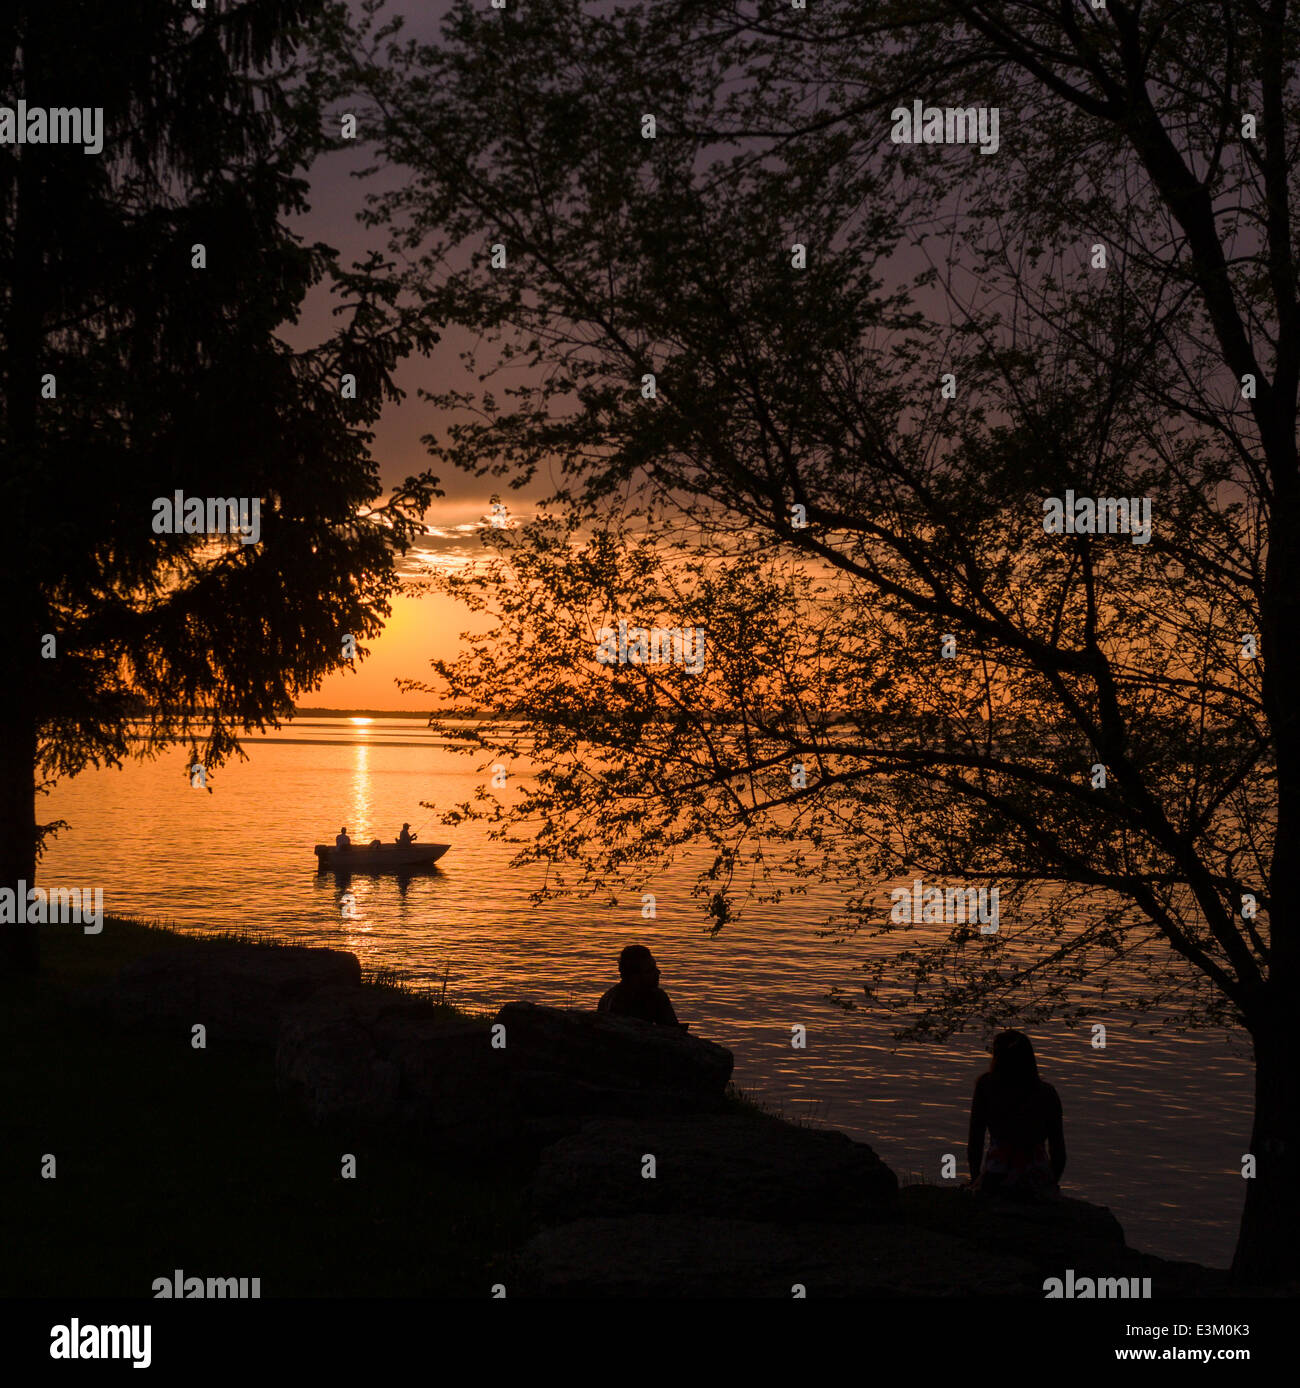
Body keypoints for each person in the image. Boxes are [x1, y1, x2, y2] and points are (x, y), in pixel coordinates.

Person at [967, 1029, 1066, 1198]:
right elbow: (1059, 1153)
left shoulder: (986, 1086)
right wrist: (1050, 1183)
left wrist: (976, 1179)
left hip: (996, 1178)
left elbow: (975, 1142)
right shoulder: (1047, 1093)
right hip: (1037, 1179)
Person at [598, 945, 681, 1025]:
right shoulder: (655, 997)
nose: (658, 972)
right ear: (634, 976)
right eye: (650, 970)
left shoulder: (656, 996)